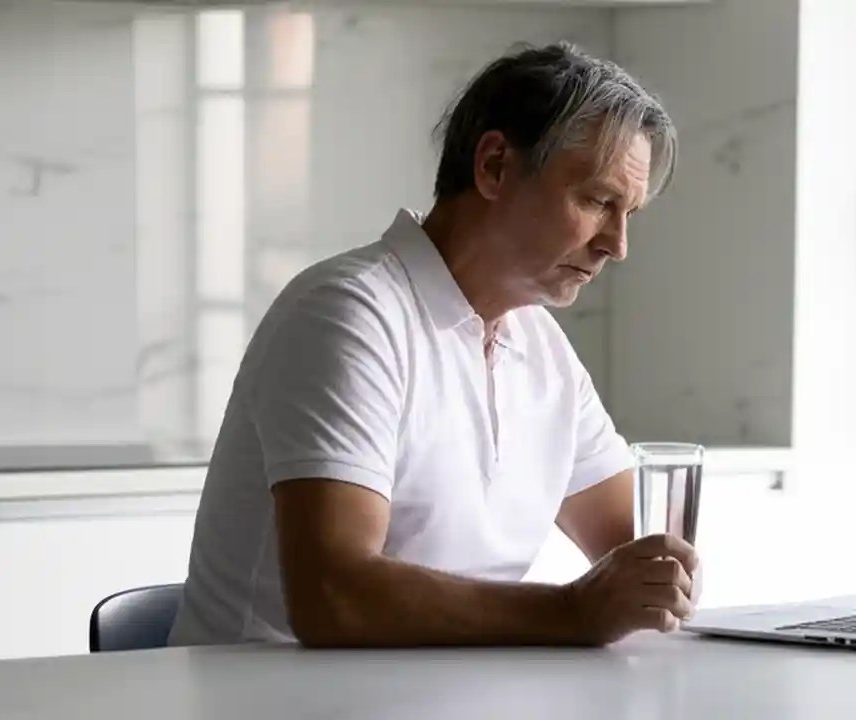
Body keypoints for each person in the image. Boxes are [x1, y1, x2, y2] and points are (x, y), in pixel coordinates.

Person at [168, 42, 700, 649]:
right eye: (598, 201)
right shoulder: (349, 314)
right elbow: (333, 599)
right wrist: (574, 611)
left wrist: (660, 580)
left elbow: (646, 556)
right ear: (495, 166)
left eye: (629, 212)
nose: (617, 244)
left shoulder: (540, 345)